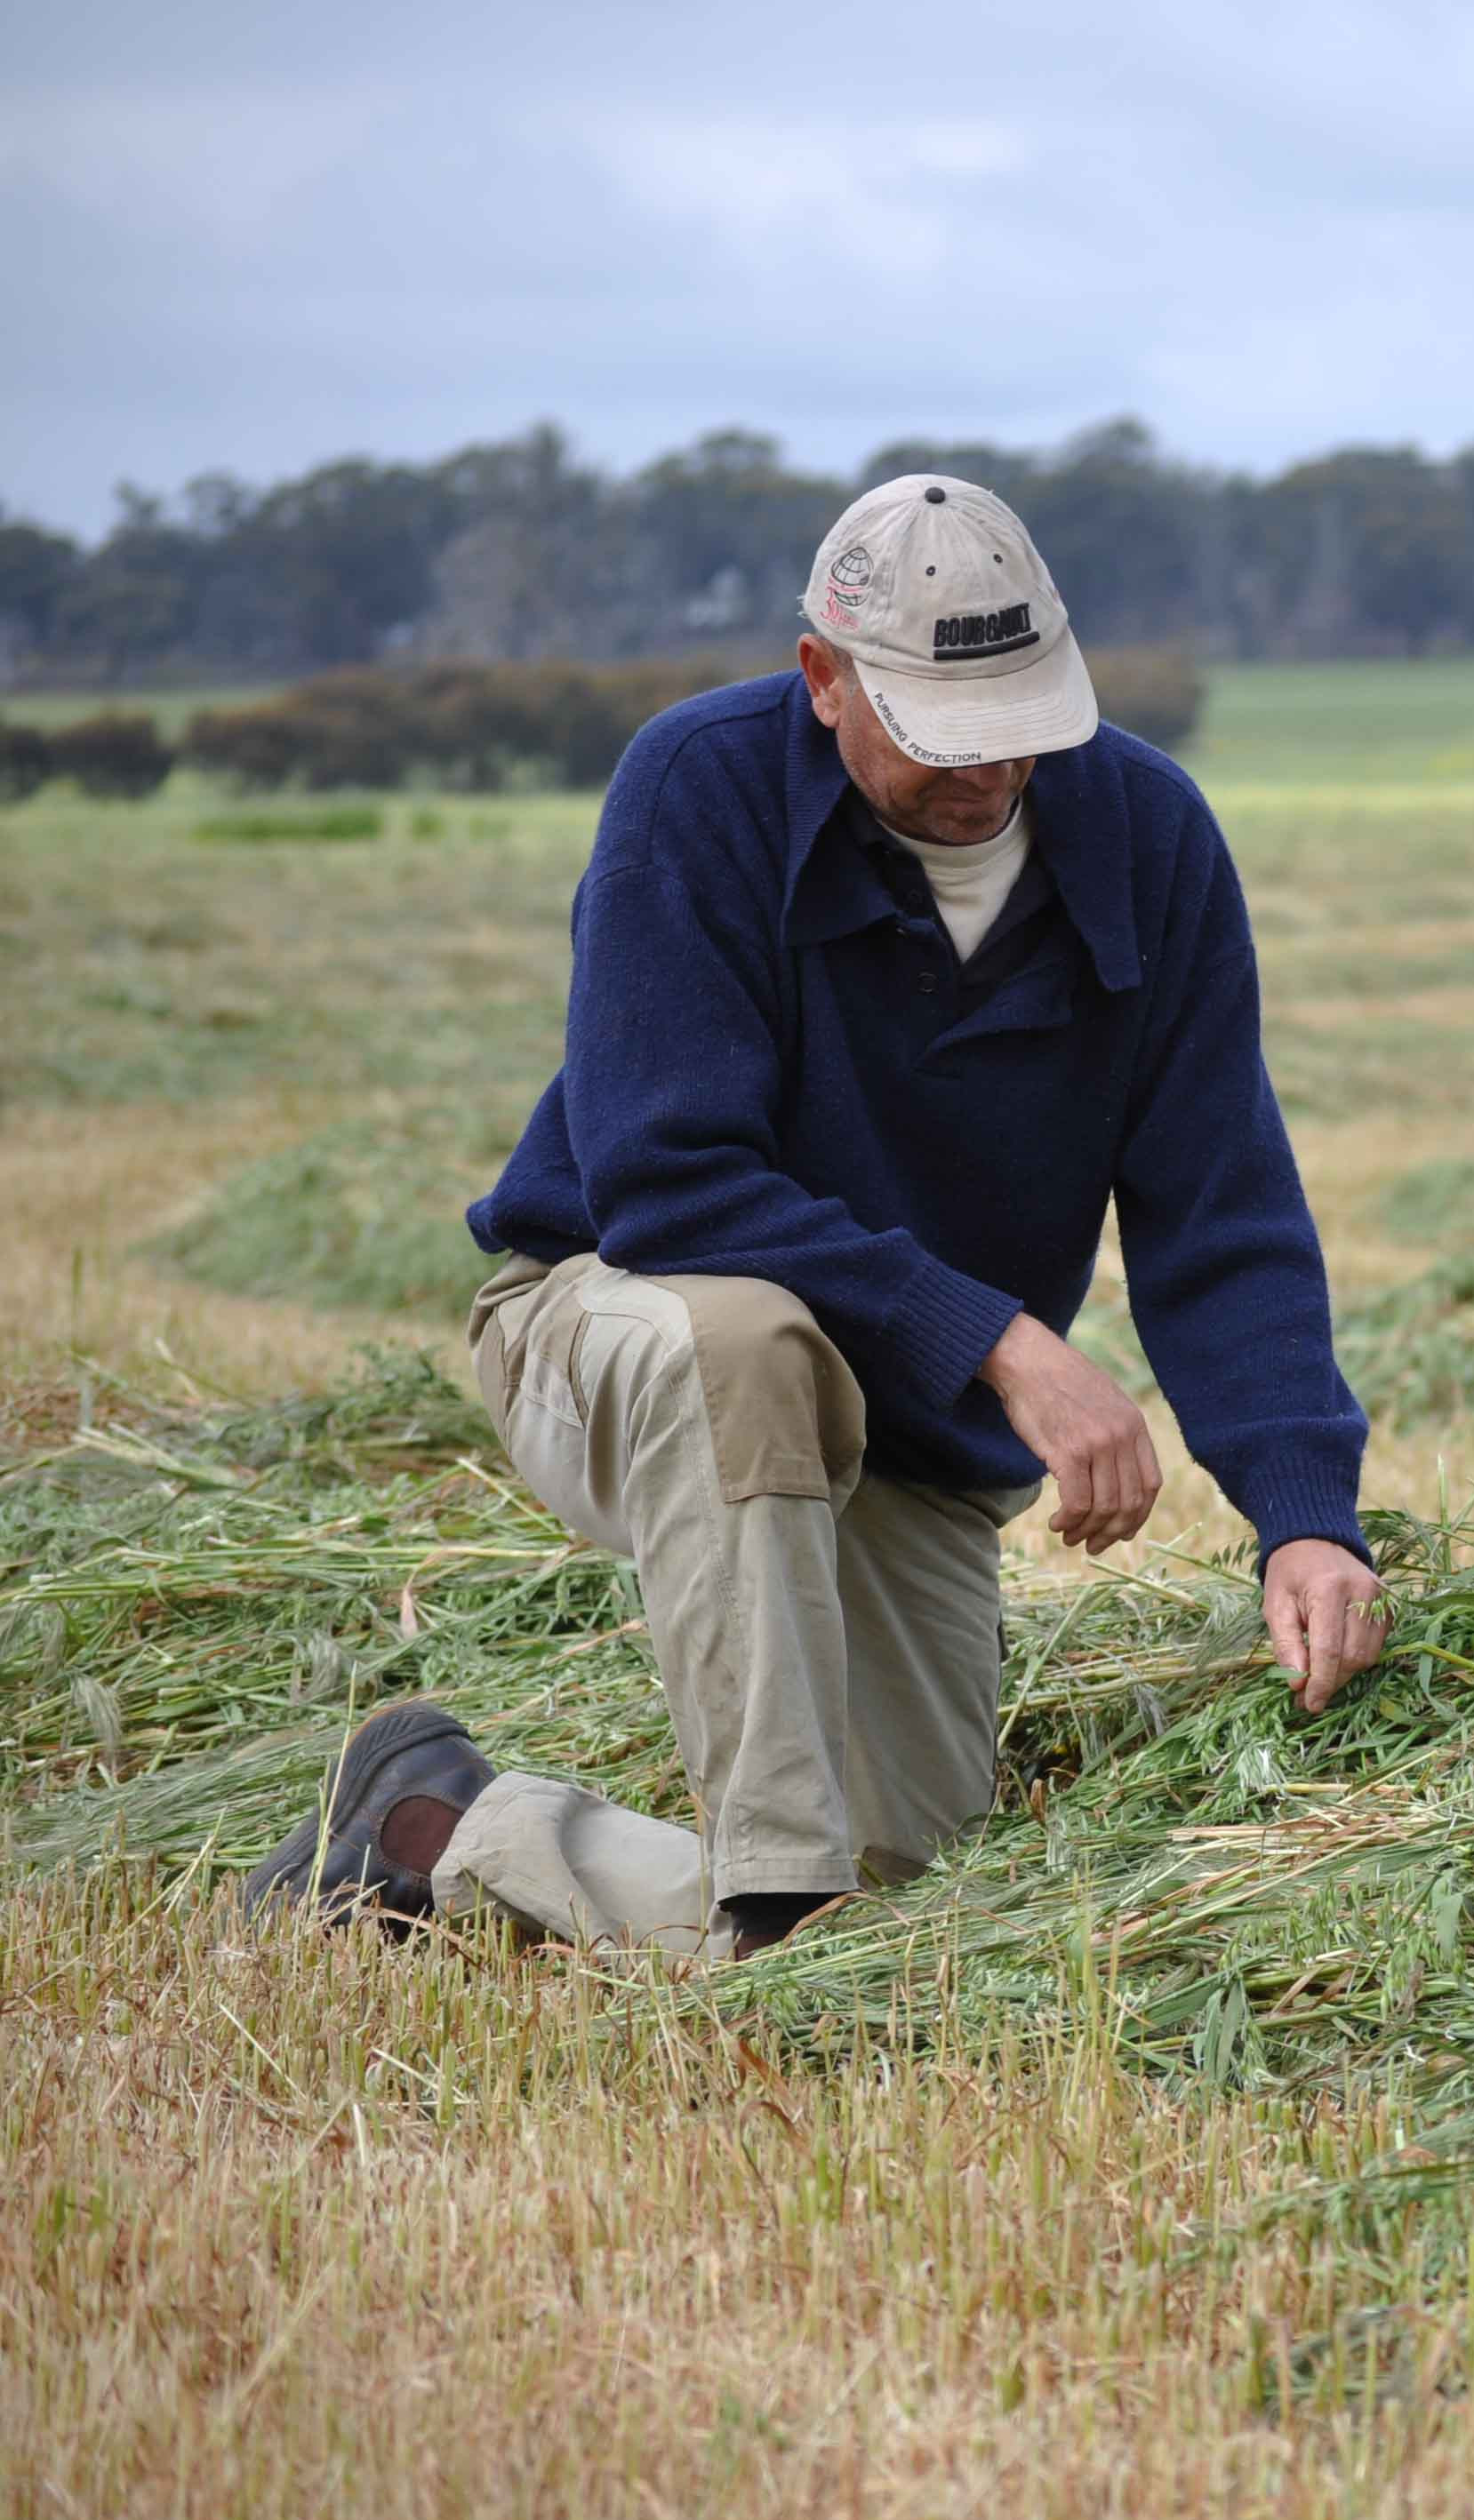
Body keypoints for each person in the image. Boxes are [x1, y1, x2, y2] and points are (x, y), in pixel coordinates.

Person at [245, 476, 1388, 1957]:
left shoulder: (1147, 833)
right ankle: (777, 1904)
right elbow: (669, 1182)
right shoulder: (698, 786)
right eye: (940, 733)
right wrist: (1006, 1344)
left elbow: (1220, 1209)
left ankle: (440, 1831)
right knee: (752, 1337)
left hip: (902, 1420)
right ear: (823, 681)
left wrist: (1302, 1517)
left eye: (1023, 720)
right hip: (619, 1325)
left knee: (921, 1896)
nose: (989, 774)